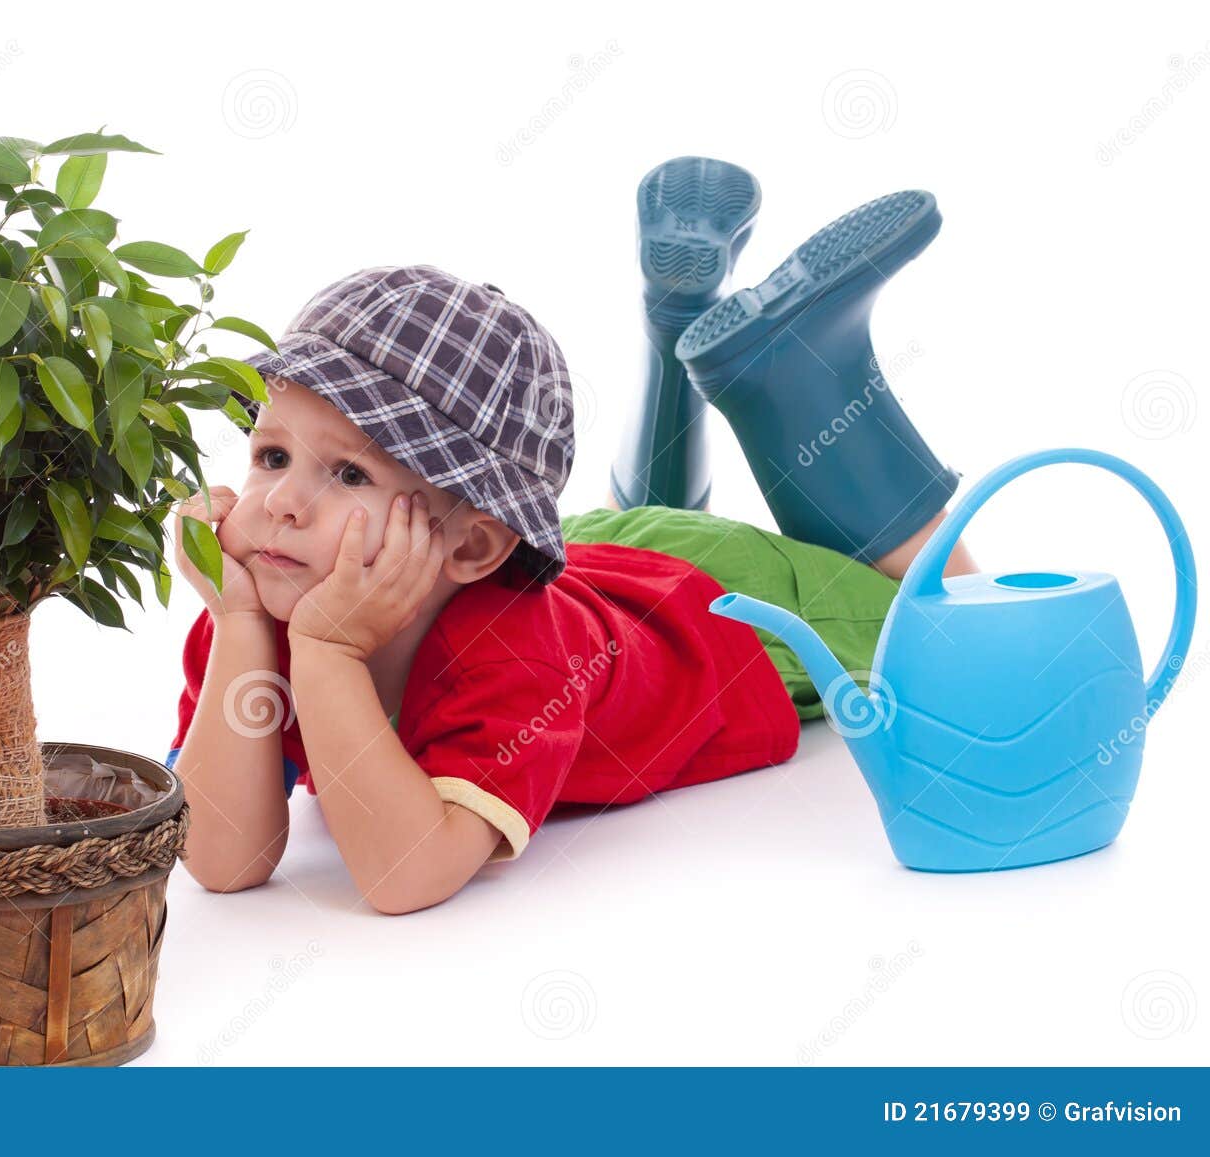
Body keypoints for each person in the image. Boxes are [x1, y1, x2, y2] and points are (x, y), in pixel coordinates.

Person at [163, 187, 975, 915]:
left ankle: (805, 373)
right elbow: (223, 862)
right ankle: (678, 330)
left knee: (946, 617)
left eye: (347, 473)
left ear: (476, 544)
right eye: (270, 456)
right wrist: (240, 628)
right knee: (649, 511)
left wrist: (329, 652)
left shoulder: (518, 655)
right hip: (587, 552)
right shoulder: (259, 605)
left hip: (716, 610)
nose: (281, 504)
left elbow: (404, 876)